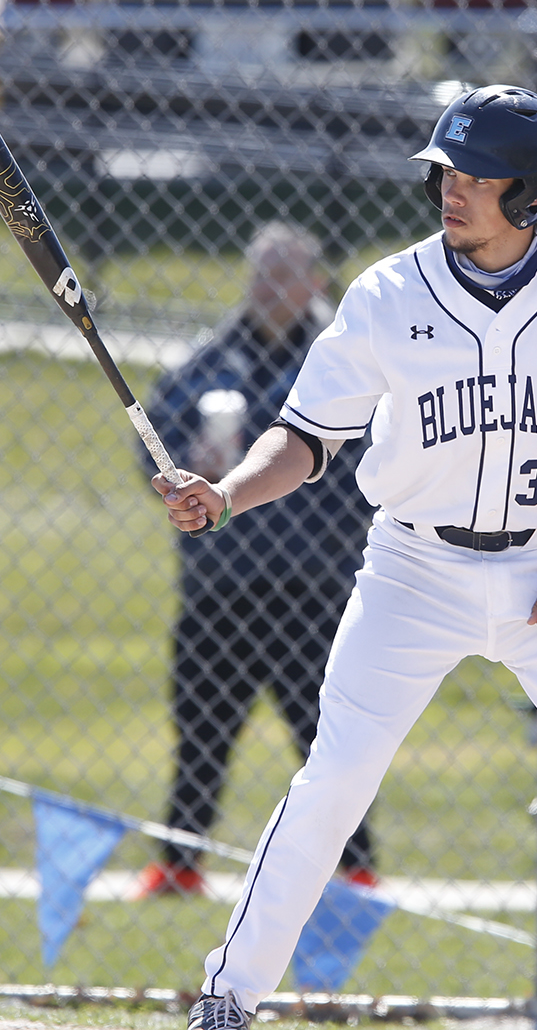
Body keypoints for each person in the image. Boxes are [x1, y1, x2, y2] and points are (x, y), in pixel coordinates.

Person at [152, 85, 537, 1030]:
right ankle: (229, 997)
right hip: (415, 570)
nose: (451, 189)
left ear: (530, 193)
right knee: (333, 779)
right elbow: (303, 436)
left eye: (475, 175)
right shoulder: (386, 293)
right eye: (443, 171)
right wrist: (227, 495)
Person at [133, 222, 377, 899]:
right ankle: (180, 865)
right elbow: (153, 443)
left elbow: (367, 458)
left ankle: (355, 870)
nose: (268, 287)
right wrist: (186, 467)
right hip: (223, 582)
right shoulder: (205, 361)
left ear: (315, 283)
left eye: (284, 274)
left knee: (329, 737)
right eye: (259, 273)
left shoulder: (342, 358)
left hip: (314, 582)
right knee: (201, 730)